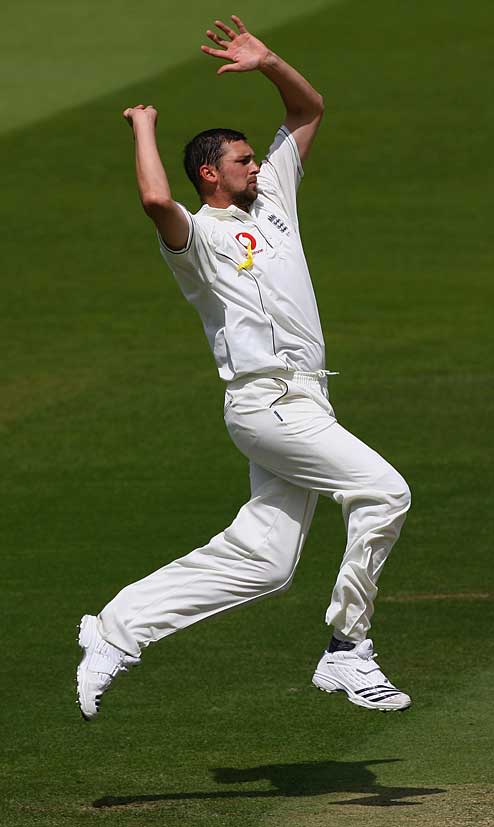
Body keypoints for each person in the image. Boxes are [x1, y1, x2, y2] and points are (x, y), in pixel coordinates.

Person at [76, 15, 412, 720]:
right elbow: (153, 200)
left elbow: (308, 108)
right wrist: (143, 123)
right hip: (265, 405)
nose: (258, 165)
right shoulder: (197, 239)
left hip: (310, 403)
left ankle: (114, 627)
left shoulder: (276, 199)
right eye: (243, 160)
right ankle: (348, 648)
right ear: (211, 174)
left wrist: (270, 61)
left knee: (265, 560)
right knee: (385, 492)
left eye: (258, 158)